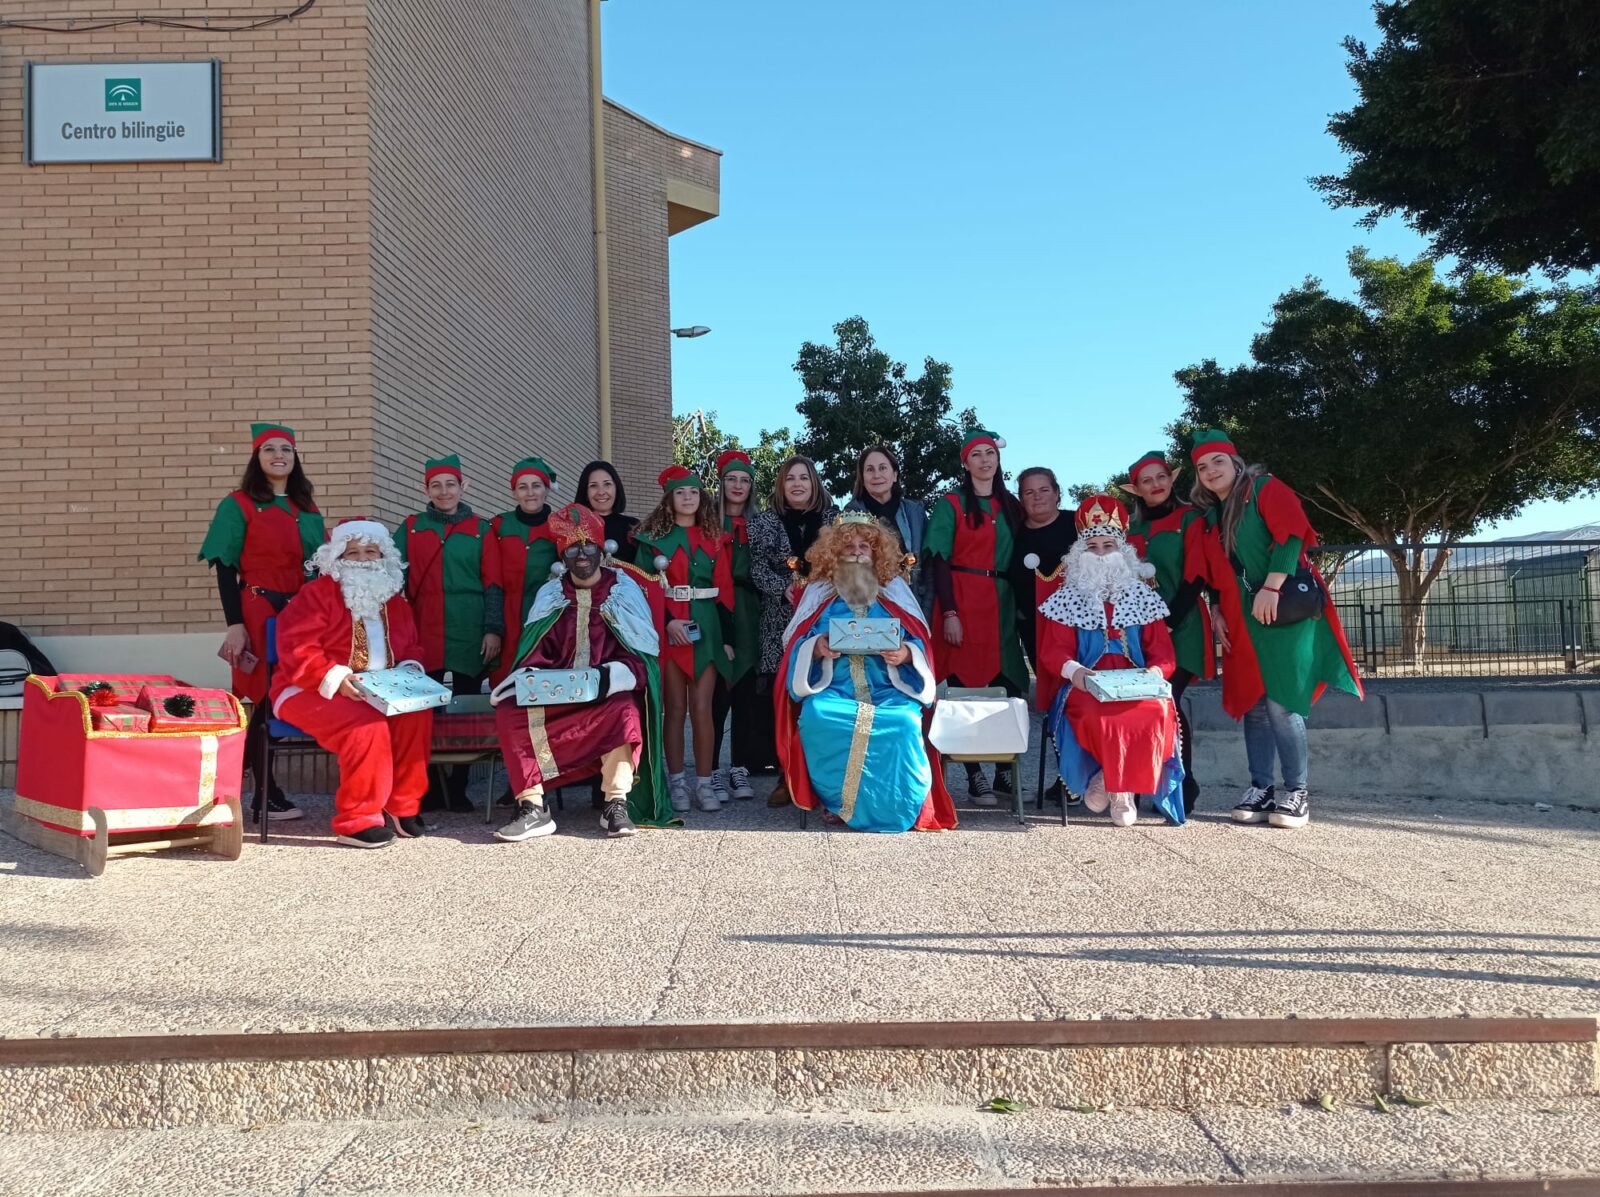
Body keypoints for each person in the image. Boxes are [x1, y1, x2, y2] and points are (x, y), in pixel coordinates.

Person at [1189, 429, 1363, 829]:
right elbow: (1217, 571)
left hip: (1281, 609)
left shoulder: (1265, 488)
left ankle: (1297, 792)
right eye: (1202, 466)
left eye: (1218, 461)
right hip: (1241, 617)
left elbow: (1292, 535)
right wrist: (1216, 609)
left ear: (1235, 462)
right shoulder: (1211, 516)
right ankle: (1261, 788)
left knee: (1282, 703)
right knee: (1254, 704)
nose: (1211, 470)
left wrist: (1272, 585)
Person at [491, 503, 674, 841]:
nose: (582, 554)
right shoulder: (551, 595)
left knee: (625, 710)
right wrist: (525, 680)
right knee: (509, 711)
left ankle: (615, 803)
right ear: (563, 554)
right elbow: (535, 653)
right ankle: (533, 807)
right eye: (572, 547)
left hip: (606, 696)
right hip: (556, 696)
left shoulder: (623, 592)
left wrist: (606, 678)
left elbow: (641, 661)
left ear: (601, 549)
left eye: (589, 545)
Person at [776, 515, 957, 832]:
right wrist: (816, 647)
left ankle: (897, 805)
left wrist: (906, 654)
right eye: (849, 547)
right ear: (835, 552)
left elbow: (918, 642)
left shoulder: (895, 592)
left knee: (903, 721)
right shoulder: (820, 594)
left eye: (865, 546)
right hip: (835, 689)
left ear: (877, 552)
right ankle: (838, 802)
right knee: (818, 714)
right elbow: (797, 643)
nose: (857, 553)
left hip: (888, 689)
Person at [271, 519, 432, 849]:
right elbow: (297, 647)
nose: (362, 559)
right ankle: (358, 819)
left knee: (415, 716)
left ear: (383, 557)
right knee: (367, 725)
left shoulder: (394, 601)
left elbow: (411, 646)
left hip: (379, 689)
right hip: (308, 686)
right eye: (353, 553)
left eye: (370, 552)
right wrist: (335, 677)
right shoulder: (316, 594)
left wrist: (409, 670)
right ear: (337, 558)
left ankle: (402, 805)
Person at [198, 422, 326, 825]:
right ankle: (262, 792)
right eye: (269, 449)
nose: (278, 456)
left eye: (286, 449)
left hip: (301, 612)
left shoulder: (307, 508)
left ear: (295, 457)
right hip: (258, 609)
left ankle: (243, 787)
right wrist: (234, 623)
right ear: (257, 457)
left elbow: (320, 566)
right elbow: (224, 566)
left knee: (286, 691)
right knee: (264, 695)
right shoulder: (237, 504)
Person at [1039, 496, 1184, 827]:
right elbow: (1054, 652)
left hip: (1138, 684)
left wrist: (1153, 673)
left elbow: (1163, 653)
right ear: (1080, 553)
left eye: (1108, 546)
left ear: (1123, 550)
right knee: (1097, 713)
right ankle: (1121, 790)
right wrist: (1077, 673)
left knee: (1156, 711)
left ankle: (1112, 783)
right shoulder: (1066, 598)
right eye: (1092, 547)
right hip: (1086, 684)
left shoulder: (1144, 597)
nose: (1101, 554)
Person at [393, 453, 503, 813]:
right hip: (424, 627)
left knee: (467, 707)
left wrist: (492, 629)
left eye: (450, 484)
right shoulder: (411, 527)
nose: (444, 492)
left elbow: (493, 584)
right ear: (425, 489)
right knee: (425, 709)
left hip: (469, 627)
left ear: (463, 486)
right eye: (436, 485)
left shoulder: (481, 529)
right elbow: (394, 578)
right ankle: (426, 787)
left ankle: (458, 788)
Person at [923, 427, 1028, 804]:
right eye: (977, 455)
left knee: (1008, 683)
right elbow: (939, 560)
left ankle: (1002, 770)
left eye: (990, 454)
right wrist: (949, 611)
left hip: (1003, 602)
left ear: (998, 460)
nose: (985, 460)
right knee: (964, 688)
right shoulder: (951, 504)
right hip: (962, 599)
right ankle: (973, 773)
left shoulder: (1011, 506)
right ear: (965, 463)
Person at [632, 466, 734, 813]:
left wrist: (727, 639)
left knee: (703, 709)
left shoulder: (715, 538)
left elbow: (725, 591)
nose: (688, 497)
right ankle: (676, 782)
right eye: (680, 492)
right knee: (674, 709)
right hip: (668, 629)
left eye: (693, 492)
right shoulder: (650, 541)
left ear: (701, 497)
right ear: (669, 499)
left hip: (706, 628)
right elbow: (642, 589)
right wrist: (667, 622)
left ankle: (704, 783)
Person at [1125, 450, 1213, 814]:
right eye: (1147, 480)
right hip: (1143, 631)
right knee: (1145, 706)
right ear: (1137, 489)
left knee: (1169, 702)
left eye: (1161, 476)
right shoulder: (1131, 530)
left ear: (1171, 479)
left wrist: (1170, 620)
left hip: (1183, 624)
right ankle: (1145, 783)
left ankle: (1182, 784)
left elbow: (1197, 573)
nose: (1156, 484)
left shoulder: (1190, 518)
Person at [747, 455, 838, 807]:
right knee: (783, 696)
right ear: (781, 486)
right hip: (779, 620)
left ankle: (824, 775)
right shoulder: (764, 523)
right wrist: (782, 586)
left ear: (814, 483)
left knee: (821, 691)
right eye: (790, 479)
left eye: (803, 477)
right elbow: (756, 568)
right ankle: (785, 776)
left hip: (824, 618)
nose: (797, 484)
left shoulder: (834, 520)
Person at [710, 450, 767, 800]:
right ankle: (712, 770)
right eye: (731, 479)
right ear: (722, 484)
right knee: (717, 696)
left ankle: (740, 768)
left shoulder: (760, 524)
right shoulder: (707, 523)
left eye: (744, 480)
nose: (737, 485)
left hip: (750, 612)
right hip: (716, 608)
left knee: (746, 695)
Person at [488, 457, 561, 684]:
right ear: (514, 493)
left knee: (540, 679)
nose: (530, 493)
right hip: (504, 614)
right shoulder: (498, 525)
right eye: (522, 487)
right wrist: (492, 626)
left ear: (546, 490)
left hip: (543, 615)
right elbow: (489, 574)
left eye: (536, 486)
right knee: (503, 679)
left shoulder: (559, 526)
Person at [843, 444, 929, 609]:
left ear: (894, 475)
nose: (877, 475)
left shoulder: (915, 513)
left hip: (914, 604)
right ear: (862, 478)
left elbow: (929, 568)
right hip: (870, 607)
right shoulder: (850, 515)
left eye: (883, 468)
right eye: (870, 469)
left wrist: (926, 610)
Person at [575, 459, 639, 555]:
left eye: (607, 484)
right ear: (585, 492)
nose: (601, 492)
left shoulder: (633, 526)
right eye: (593, 486)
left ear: (616, 488)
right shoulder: (573, 526)